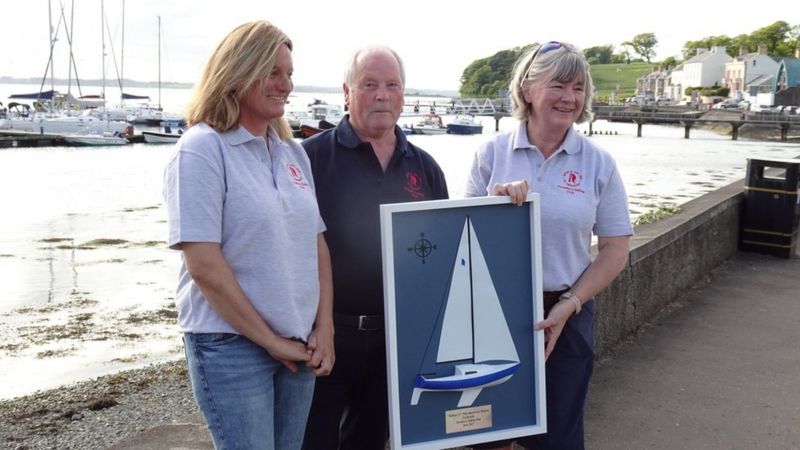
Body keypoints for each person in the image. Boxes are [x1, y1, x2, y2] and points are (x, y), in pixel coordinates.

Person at [163, 20, 334, 450]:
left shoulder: (293, 152)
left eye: (289, 73)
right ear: (238, 72)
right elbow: (203, 266)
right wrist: (270, 341)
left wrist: (325, 327)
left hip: (297, 344)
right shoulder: (202, 148)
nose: (286, 84)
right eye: (273, 72)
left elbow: (316, 246)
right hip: (231, 347)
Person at [465, 41, 633, 450]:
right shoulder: (491, 154)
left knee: (559, 438)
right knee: (491, 436)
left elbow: (615, 248)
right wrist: (494, 206)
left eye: (578, 87)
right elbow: (462, 242)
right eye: (559, 85)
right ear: (527, 89)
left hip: (569, 312)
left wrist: (569, 304)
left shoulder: (598, 163)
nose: (570, 98)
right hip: (495, 315)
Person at [301, 46, 449, 450]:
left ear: (403, 95)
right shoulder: (308, 159)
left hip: (395, 338)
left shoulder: (425, 167)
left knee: (369, 441)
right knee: (311, 441)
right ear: (347, 92)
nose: (382, 94)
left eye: (392, 85)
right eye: (369, 84)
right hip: (324, 334)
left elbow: (442, 253)